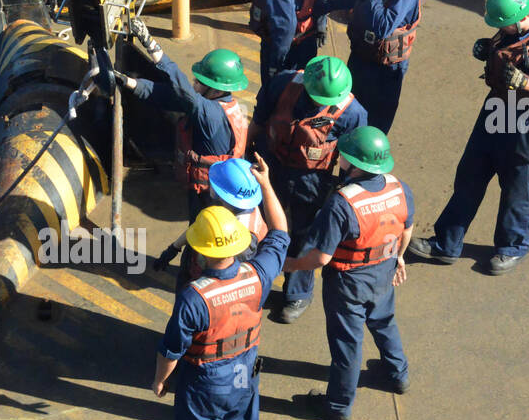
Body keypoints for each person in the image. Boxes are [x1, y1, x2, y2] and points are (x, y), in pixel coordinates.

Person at [152, 154, 290, 420]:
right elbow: (280, 231)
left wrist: (160, 382)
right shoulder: (258, 274)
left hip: (203, 381)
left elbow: (172, 349)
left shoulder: (195, 297)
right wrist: (265, 184)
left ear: (200, 250)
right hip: (245, 370)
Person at [407, 0, 529, 275]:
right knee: (469, 175)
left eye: (502, 25)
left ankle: (513, 248)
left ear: (518, 17)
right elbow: (507, 50)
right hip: (496, 110)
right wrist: (491, 50)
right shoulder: (513, 28)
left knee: (516, 188)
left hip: (526, 124)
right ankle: (446, 243)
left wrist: (527, 84)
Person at [283, 126, 414, 420]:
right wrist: (399, 259)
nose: (339, 158)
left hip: (348, 282)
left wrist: (290, 265)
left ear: (355, 164)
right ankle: (398, 374)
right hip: (383, 271)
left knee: (347, 344)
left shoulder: (342, 203)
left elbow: (322, 257)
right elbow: (406, 228)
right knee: (384, 322)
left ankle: (339, 405)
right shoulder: (398, 187)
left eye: (345, 155)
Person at [248, 55, 367, 324]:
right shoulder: (282, 84)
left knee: (305, 235)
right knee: (260, 226)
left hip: (312, 179)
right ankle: (256, 279)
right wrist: (243, 155)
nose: (320, 106)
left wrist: (346, 192)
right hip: (270, 165)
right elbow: (258, 120)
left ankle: (297, 293)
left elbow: (354, 156)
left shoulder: (352, 112)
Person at [118, 18, 249, 218]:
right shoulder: (222, 106)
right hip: (216, 187)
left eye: (200, 81)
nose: (195, 83)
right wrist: (129, 83)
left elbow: (182, 89)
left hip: (211, 196)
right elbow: (169, 97)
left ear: (215, 89)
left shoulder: (210, 115)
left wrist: (151, 45)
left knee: (203, 236)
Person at [319, 0, 422, 134]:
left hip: (385, 69)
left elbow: (383, 27)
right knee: (348, 109)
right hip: (361, 56)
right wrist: (322, 5)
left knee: (375, 124)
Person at [155, 157, 269, 292]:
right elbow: (200, 226)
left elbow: (224, 273)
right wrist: (174, 247)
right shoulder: (233, 208)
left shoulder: (243, 235)